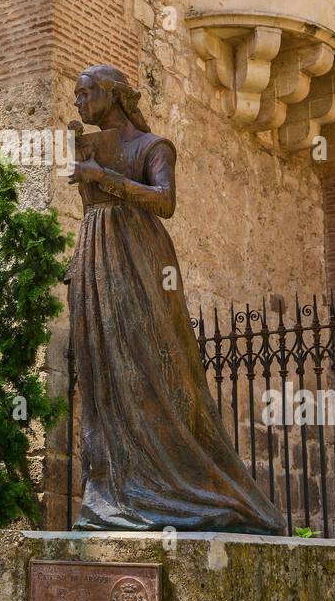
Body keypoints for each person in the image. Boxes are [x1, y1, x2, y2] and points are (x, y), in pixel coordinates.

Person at [67, 63, 285, 534]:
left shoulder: (153, 147)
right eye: (76, 95)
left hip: (142, 260)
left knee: (151, 361)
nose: (78, 103)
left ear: (114, 96)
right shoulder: (90, 146)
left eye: (86, 94)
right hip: (95, 255)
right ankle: (114, 488)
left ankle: (176, 480)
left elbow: (165, 201)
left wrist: (101, 176)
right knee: (102, 363)